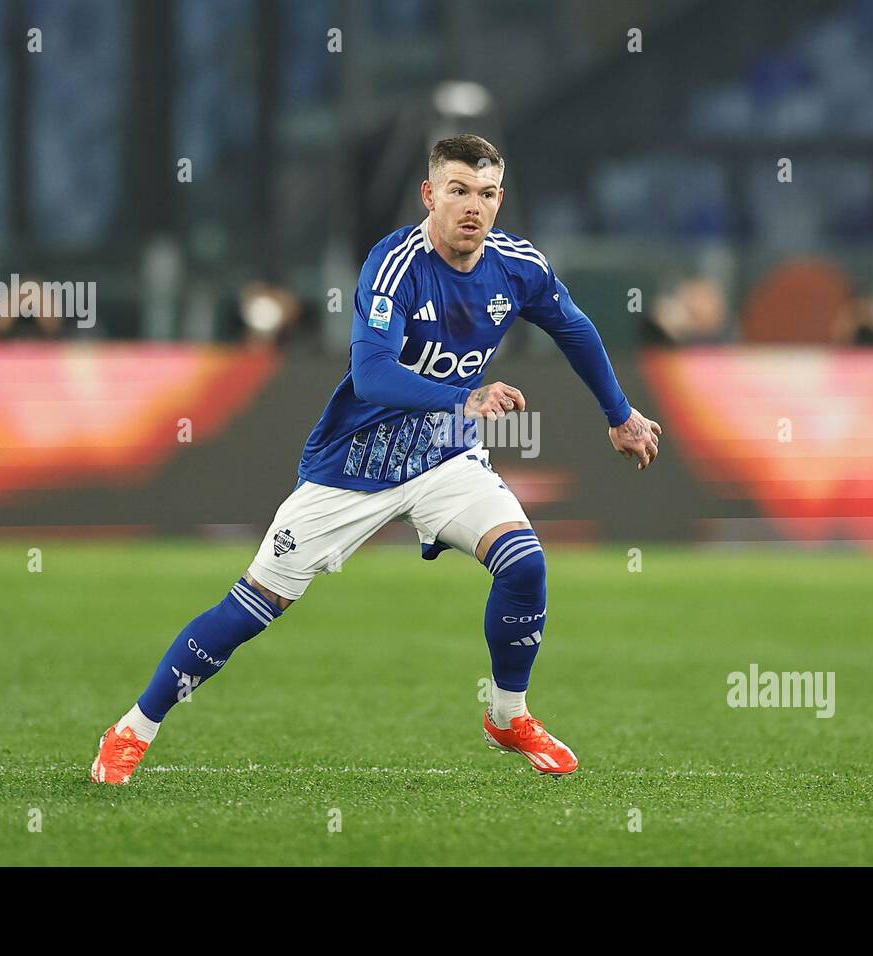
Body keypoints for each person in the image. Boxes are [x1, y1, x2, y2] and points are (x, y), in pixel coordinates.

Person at [91, 134, 661, 782]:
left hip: (443, 459)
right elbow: (371, 374)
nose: (473, 206)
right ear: (429, 194)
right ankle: (134, 728)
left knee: (525, 564)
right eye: (458, 190)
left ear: (500, 199)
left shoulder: (519, 267)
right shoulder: (395, 264)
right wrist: (463, 396)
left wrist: (619, 415)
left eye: (487, 193)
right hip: (355, 463)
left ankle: (507, 715)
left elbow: (574, 326)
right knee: (250, 609)